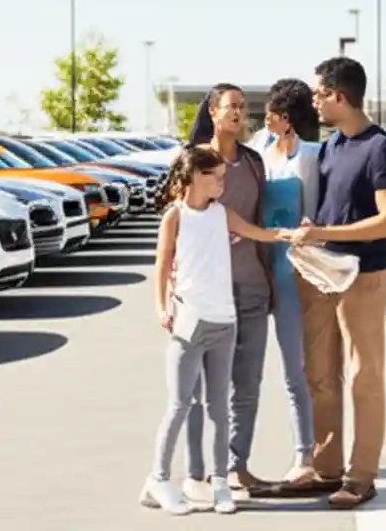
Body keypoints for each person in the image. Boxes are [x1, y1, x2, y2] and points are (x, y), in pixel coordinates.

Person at [141, 144, 288, 516]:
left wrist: (292, 234)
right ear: (195, 176)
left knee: (218, 408)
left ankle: (219, 481)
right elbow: (161, 267)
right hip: (188, 322)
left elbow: (260, 233)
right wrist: (162, 307)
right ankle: (159, 479)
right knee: (180, 404)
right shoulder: (174, 217)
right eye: (216, 177)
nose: (222, 184)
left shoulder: (223, 214)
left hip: (225, 321)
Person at [286, 56, 386, 509]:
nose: (313, 102)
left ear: (339, 95)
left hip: (365, 276)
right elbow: (333, 209)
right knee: (320, 375)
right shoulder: (333, 145)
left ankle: (362, 476)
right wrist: (311, 232)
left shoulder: (382, 149)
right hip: (322, 273)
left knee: (364, 378)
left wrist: (323, 232)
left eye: (318, 94)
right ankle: (326, 468)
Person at [181, 83, 277, 498]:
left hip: (252, 286)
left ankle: (237, 466)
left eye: (243, 107)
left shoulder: (254, 162)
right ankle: (198, 473)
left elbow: (256, 219)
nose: (238, 113)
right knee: (199, 391)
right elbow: (175, 225)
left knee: (248, 385)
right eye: (230, 106)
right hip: (205, 296)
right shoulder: (193, 161)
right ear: (213, 112)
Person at [250, 79, 324, 491]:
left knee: (297, 370)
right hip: (260, 269)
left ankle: (305, 456)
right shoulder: (261, 152)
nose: (265, 119)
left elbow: (314, 215)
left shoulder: (310, 157)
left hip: (296, 271)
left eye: (272, 113)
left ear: (288, 118)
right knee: (254, 371)